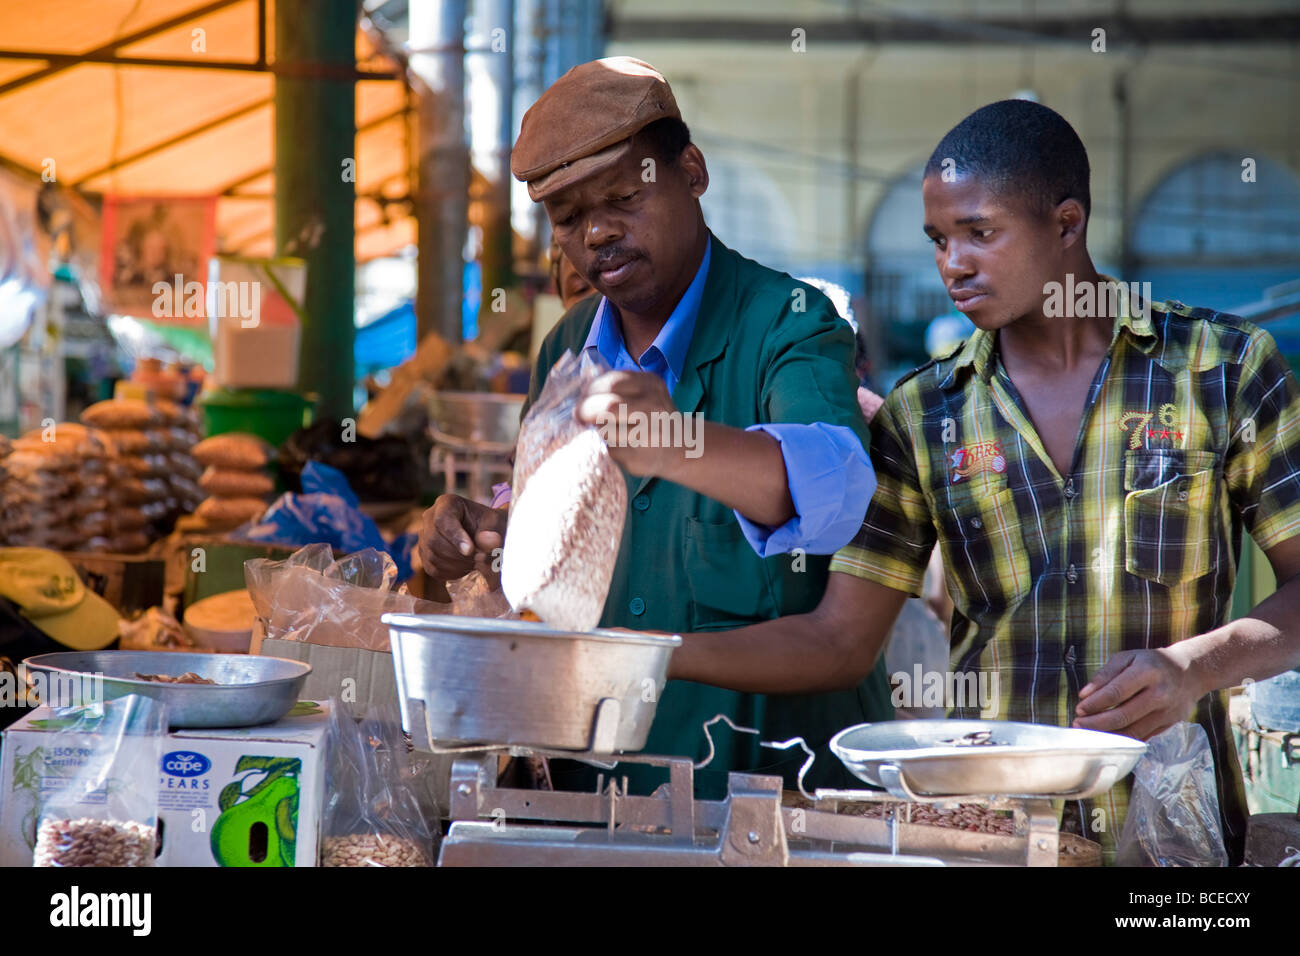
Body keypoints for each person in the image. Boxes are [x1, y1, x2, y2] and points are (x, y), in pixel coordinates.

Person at [665, 99, 1300, 863]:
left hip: (1174, 835)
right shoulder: (922, 416)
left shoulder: (1222, 369)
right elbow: (839, 641)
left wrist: (1191, 668)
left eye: (980, 232)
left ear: (1066, 224)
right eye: (938, 239)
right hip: (989, 842)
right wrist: (645, 654)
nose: (952, 263)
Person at [419, 56, 890, 793]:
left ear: (692, 171)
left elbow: (833, 485)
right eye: (569, 218)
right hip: (598, 783)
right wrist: (488, 540)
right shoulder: (565, 349)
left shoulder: (790, 323)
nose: (598, 232)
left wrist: (680, 444)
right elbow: (558, 563)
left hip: (765, 792)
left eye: (622, 198)